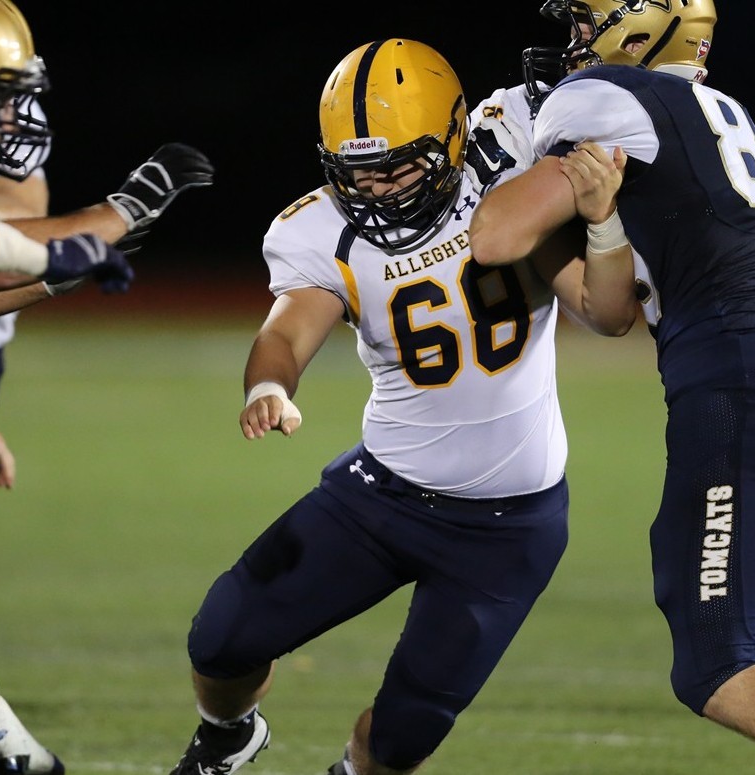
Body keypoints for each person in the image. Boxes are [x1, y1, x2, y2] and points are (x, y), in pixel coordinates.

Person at [166, 37, 635, 775]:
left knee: (400, 741)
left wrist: (603, 220)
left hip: (508, 531)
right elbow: (286, 331)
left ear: (451, 138)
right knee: (221, 637)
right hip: (379, 499)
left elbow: (609, 314)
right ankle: (227, 735)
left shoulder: (507, 182)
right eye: (357, 172)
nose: (377, 188)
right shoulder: (319, 229)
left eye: (396, 166)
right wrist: (268, 386)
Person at [469, 1, 755, 772]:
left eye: (585, 22)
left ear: (636, 33)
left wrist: (500, 169)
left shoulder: (602, 95)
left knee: (718, 660)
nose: (573, 41)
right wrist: (599, 220)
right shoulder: (717, 109)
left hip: (739, 384)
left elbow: (496, 235)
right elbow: (611, 313)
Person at [0, 1, 214, 772]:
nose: (15, 115)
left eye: (16, 91)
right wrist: (114, 219)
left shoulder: (15, 166)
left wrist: (62, 269)